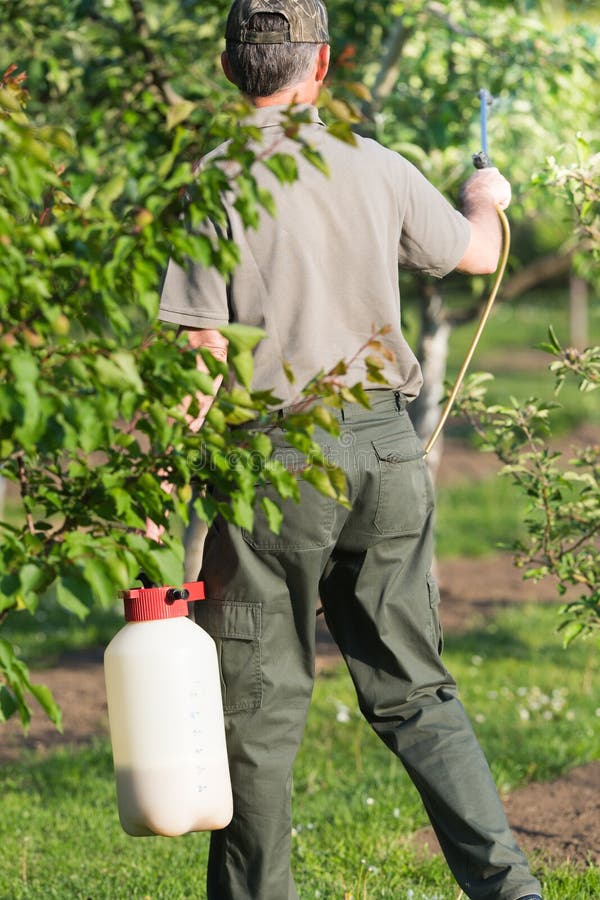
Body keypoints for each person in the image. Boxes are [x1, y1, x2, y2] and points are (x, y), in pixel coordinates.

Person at [158, 2, 543, 898]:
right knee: (417, 693)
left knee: (255, 716)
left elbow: (200, 356)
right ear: (321, 64)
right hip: (385, 447)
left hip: (273, 464)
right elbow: (478, 254)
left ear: (226, 68)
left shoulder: (211, 181)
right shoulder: (376, 165)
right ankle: (510, 889)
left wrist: (157, 485)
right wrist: (485, 198)